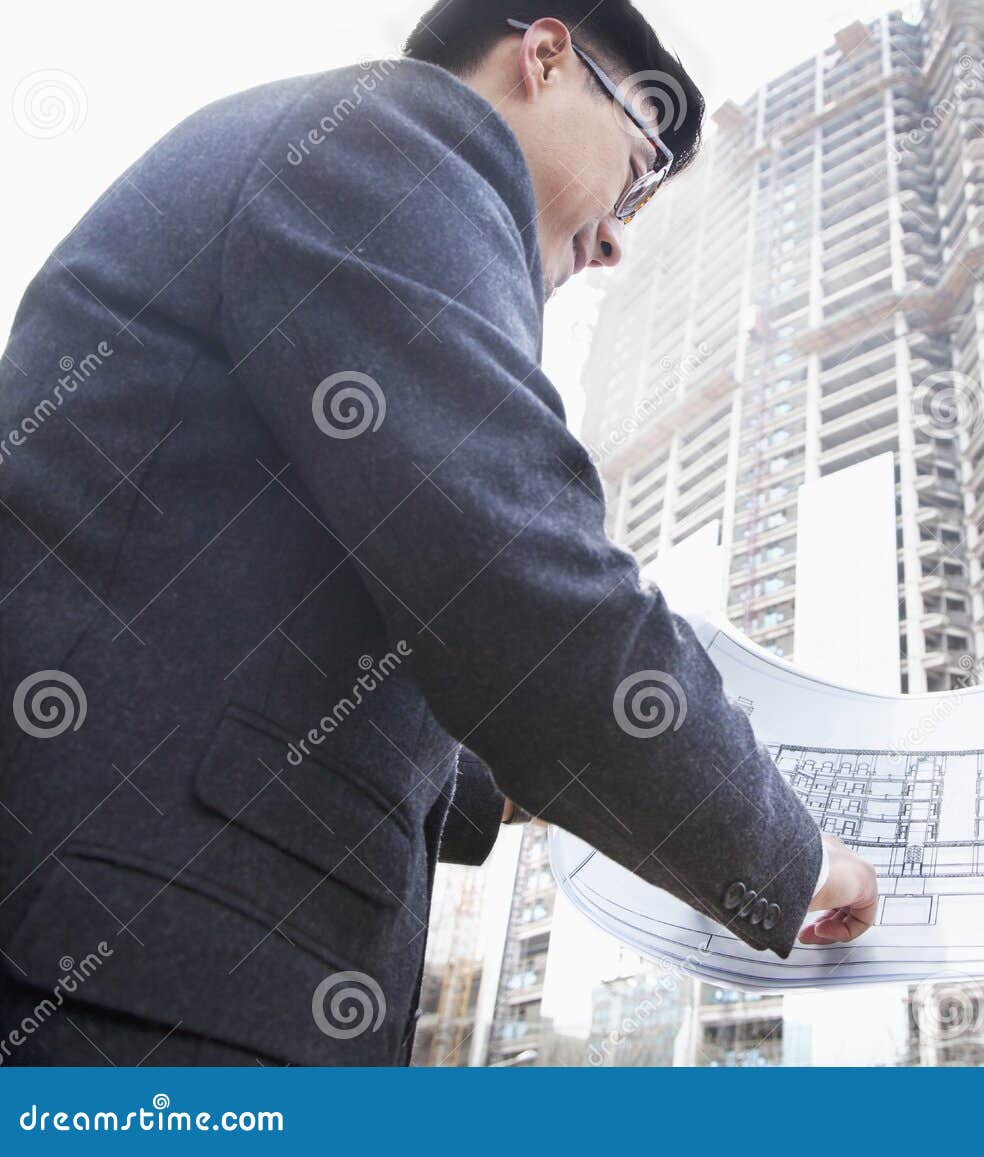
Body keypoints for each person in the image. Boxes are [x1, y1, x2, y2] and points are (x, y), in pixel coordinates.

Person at [0, 0, 877, 1066]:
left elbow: (294, 632)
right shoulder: (402, 141)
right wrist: (794, 853)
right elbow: (516, 572)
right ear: (546, 56)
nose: (614, 237)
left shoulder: (343, 167)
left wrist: (536, 775)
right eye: (638, 170)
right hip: (133, 983)